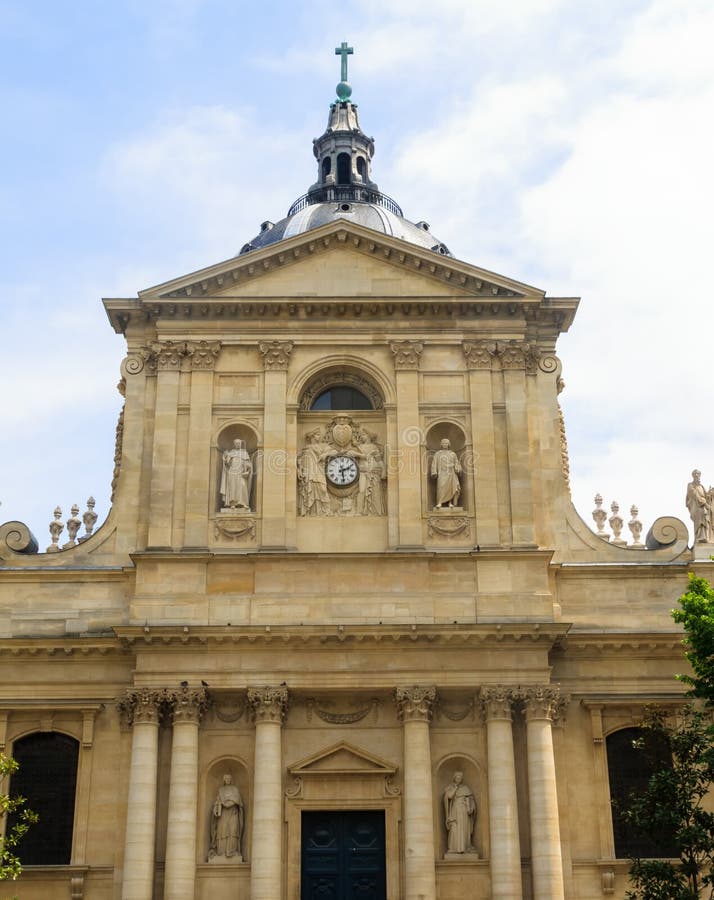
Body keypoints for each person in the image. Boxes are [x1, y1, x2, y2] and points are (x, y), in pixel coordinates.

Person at [209, 774, 244, 860]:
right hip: (223, 813)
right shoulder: (221, 790)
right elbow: (217, 801)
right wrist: (219, 805)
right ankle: (221, 852)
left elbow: (238, 800)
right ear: (224, 780)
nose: (227, 780)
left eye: (229, 778)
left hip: (233, 813)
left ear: (231, 779)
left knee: (233, 830)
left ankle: (232, 851)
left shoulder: (235, 789)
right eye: (226, 778)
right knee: (222, 831)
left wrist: (229, 803)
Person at [297, 430, 332, 516]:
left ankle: (324, 511)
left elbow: (333, 451)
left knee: (323, 490)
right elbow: (298, 459)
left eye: (319, 435)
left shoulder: (322, 446)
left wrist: (325, 455)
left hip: (319, 471)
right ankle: (312, 511)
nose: (319, 437)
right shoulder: (306, 448)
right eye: (317, 435)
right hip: (309, 473)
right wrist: (299, 470)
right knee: (310, 490)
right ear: (312, 436)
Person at [443, 771, 476, 855]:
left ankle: (465, 846)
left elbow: (471, 799)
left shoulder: (466, 788)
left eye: (460, 778)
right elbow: (449, 796)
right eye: (457, 777)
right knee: (455, 827)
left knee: (464, 828)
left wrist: (470, 807)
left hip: (464, 810)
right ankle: (454, 848)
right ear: (454, 778)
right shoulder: (451, 787)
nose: (459, 779)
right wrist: (455, 788)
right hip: (455, 810)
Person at [220, 439, 253, 510]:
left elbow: (248, 464)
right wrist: (225, 458)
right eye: (237, 443)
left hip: (241, 473)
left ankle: (243, 503)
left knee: (242, 486)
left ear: (241, 444)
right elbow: (227, 463)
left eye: (239, 443)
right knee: (233, 487)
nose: (238, 444)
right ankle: (233, 503)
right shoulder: (231, 453)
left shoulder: (244, 453)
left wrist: (248, 471)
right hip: (232, 472)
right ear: (234, 444)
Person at [431, 439, 462, 508]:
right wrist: (434, 471)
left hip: (451, 473)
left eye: (446, 443)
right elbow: (434, 463)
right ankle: (440, 502)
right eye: (443, 443)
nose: (445, 444)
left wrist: (457, 468)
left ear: (449, 444)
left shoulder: (452, 454)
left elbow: (456, 462)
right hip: (441, 473)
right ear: (441, 444)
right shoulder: (438, 454)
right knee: (441, 487)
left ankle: (449, 502)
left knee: (450, 488)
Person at [686, 469, 714, 544]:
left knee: (705, 519)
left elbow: (705, 496)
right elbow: (695, 495)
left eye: (698, 474)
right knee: (700, 520)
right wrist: (705, 503)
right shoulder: (690, 485)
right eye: (695, 474)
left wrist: (709, 493)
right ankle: (700, 537)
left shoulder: (701, 486)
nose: (697, 476)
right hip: (697, 507)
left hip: (703, 507)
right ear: (693, 476)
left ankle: (705, 537)